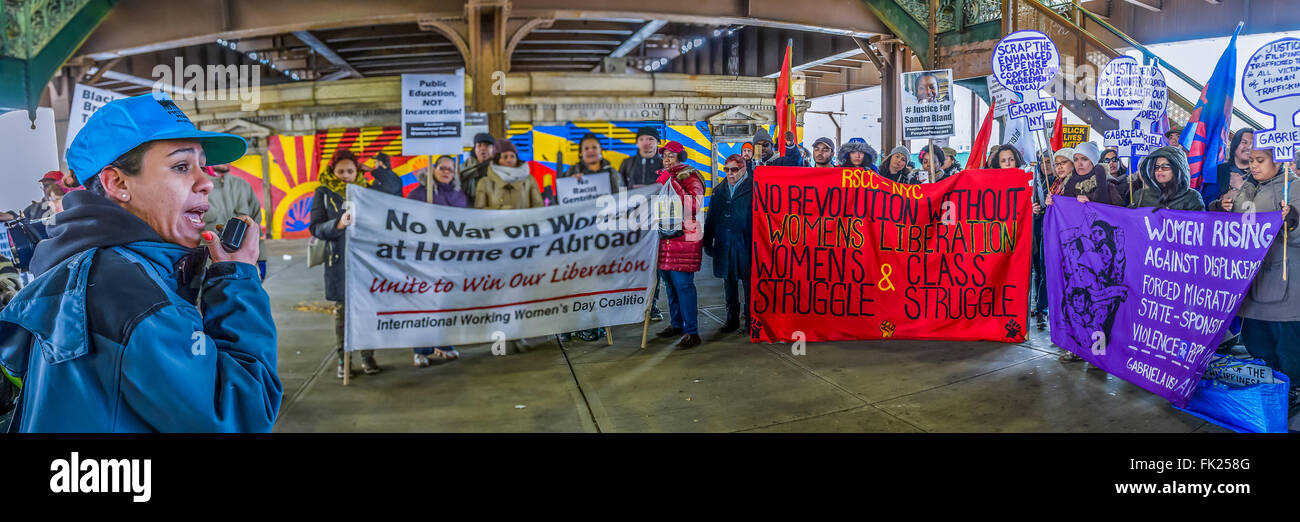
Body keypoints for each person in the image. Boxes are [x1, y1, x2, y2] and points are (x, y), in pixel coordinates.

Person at [0, 93, 279, 432]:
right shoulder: (134, 297)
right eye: (181, 166)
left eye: (202, 166)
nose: (207, 182)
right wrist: (238, 282)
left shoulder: (82, 267)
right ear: (117, 183)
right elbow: (243, 413)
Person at [1221, 149, 1299, 410]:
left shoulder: (1294, 188)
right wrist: (1222, 210)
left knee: (1287, 348)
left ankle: (1292, 390)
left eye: (1260, 161)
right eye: (1252, 161)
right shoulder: (1247, 188)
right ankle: (1272, 388)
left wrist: (1294, 223)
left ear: (1279, 160)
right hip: (1250, 285)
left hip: (1285, 285)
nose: (1253, 166)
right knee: (1257, 344)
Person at [310, 149, 382, 378]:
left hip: (365, 262)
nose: (345, 175)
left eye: (350, 170)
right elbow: (316, 228)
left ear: (357, 171)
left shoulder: (366, 191)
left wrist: (378, 171)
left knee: (367, 311)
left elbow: (392, 192)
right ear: (333, 171)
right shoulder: (323, 192)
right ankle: (344, 359)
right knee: (343, 314)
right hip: (338, 262)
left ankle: (367, 356)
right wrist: (338, 225)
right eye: (340, 171)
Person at [405, 155, 467, 366]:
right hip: (425, 258)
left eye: (450, 169)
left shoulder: (460, 195)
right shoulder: (419, 193)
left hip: (451, 259)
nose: (446, 171)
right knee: (424, 303)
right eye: (442, 167)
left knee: (446, 302)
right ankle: (421, 351)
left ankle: (444, 345)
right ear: (433, 169)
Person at [654, 141, 705, 349]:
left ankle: (692, 332)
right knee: (670, 286)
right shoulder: (662, 177)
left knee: (683, 286)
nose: (666, 159)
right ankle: (676, 324)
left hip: (683, 241)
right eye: (664, 156)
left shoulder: (690, 177)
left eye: (671, 156)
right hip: (665, 242)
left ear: (680, 158)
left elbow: (694, 206)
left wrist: (672, 183)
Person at [703, 154, 752, 334]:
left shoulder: (754, 188)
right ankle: (731, 319)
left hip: (747, 243)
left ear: (743, 169)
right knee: (728, 282)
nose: (730, 174)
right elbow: (712, 218)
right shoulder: (718, 190)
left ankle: (750, 321)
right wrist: (707, 240)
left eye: (734, 170)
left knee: (749, 283)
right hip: (725, 243)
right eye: (727, 169)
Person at [204, 163, 267, 280]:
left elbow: (255, 224)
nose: (225, 160)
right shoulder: (198, 189)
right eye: (221, 153)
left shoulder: (242, 185)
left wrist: (261, 256)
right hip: (208, 264)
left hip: (245, 262)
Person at [1129, 146, 1203, 211]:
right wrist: (1129, 212)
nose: (1160, 170)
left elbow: (1200, 224)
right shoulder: (1141, 195)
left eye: (1165, 167)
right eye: (1156, 167)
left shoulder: (1192, 197)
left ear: (1177, 169)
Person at [1044, 142, 1119, 206]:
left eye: (1084, 159)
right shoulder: (1069, 183)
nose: (1079, 164)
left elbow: (1117, 215)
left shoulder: (1108, 183)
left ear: (1093, 161)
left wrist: (1091, 204)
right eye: (1076, 160)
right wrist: (1052, 205)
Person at [475, 139, 543, 209]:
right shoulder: (484, 183)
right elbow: (480, 210)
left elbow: (538, 206)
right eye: (505, 157)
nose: (509, 160)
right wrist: (500, 210)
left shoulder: (529, 180)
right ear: (497, 160)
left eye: (512, 156)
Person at [1211, 129, 1254, 211]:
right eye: (1244, 142)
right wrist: (1221, 204)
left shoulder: (1259, 174)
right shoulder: (1219, 170)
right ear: (1235, 144)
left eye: (1252, 144)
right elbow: (1206, 200)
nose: (1248, 147)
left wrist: (1240, 187)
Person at [460, 132, 496, 201]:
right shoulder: (465, 167)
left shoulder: (499, 168)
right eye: (479, 145)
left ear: (493, 149)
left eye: (487, 145)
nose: (483, 148)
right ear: (475, 149)